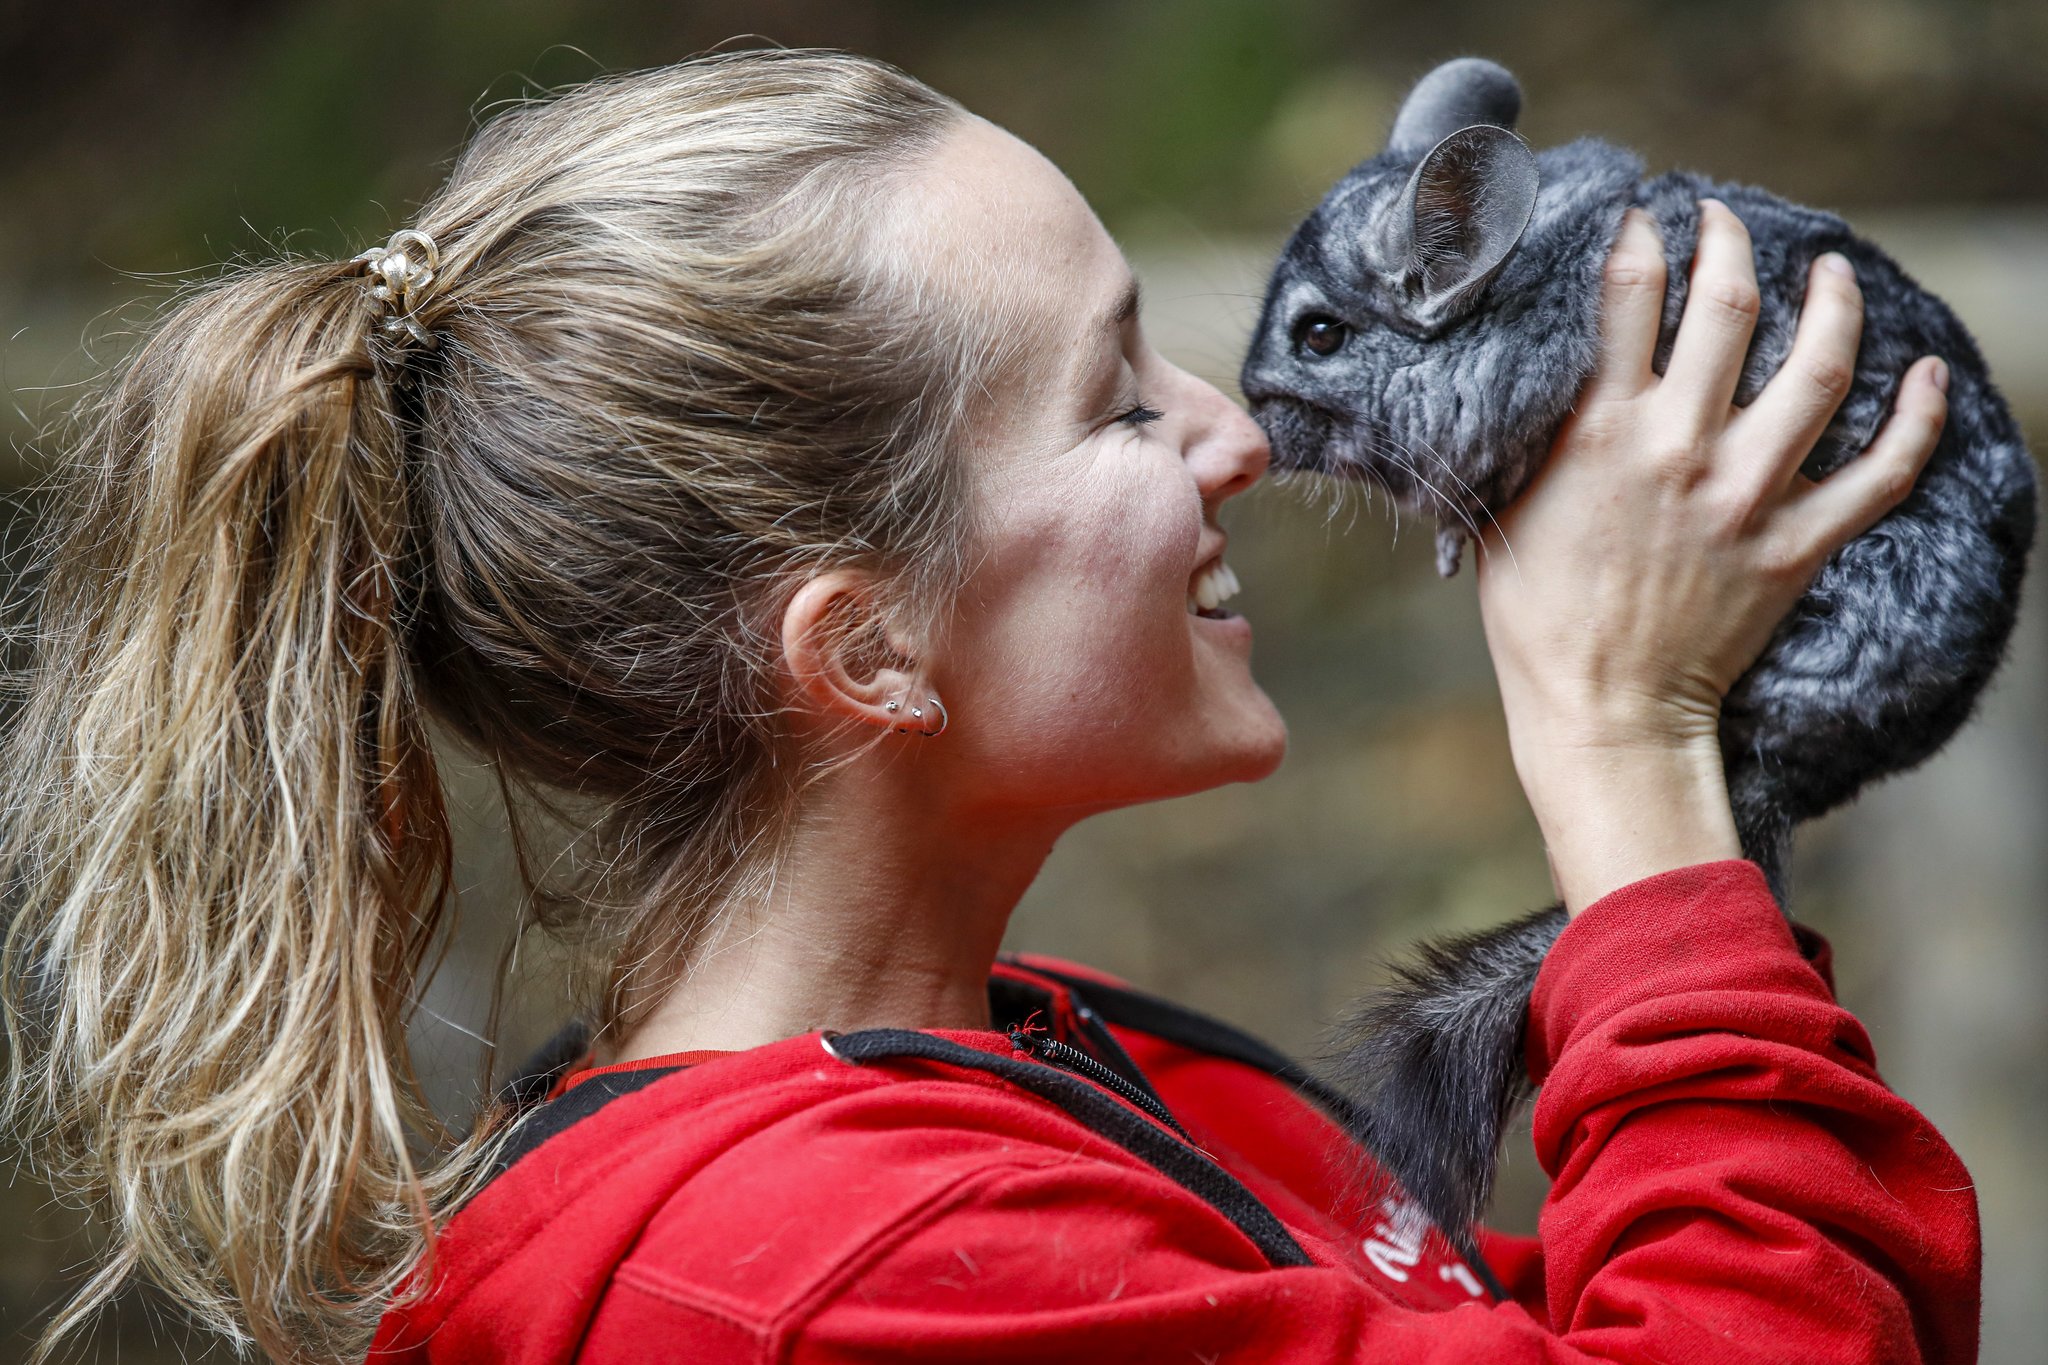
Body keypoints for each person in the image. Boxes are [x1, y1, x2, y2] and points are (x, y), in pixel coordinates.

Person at [0, 48, 1978, 1364]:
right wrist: (1627, 764)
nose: (1231, 436)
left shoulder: (1026, 1073)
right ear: (861, 648)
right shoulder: (834, 1272)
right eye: (1119, 399)